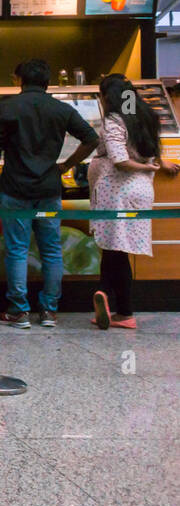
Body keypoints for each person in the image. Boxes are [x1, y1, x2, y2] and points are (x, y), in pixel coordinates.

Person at [0, 58, 98, 329]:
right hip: (49, 187)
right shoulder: (60, 108)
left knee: (17, 250)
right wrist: (66, 165)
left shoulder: (7, 108)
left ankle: (19, 311)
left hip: (15, 187)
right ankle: (49, 311)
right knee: (51, 250)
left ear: (19, 80)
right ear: (47, 82)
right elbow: (92, 139)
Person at [89, 74, 177, 330]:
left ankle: (115, 301)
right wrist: (156, 164)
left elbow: (120, 161)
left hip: (116, 190)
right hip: (140, 192)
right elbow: (151, 149)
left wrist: (147, 166)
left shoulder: (114, 120)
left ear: (107, 97)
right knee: (116, 248)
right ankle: (114, 305)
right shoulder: (146, 115)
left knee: (113, 247)